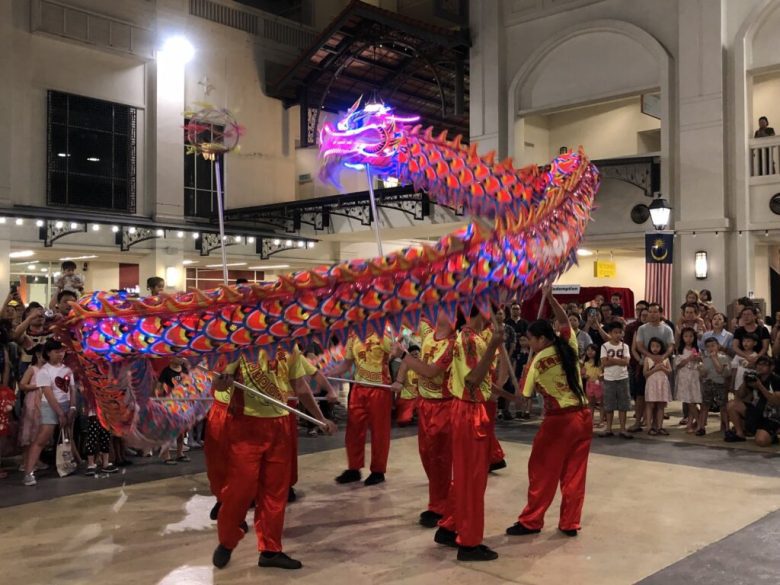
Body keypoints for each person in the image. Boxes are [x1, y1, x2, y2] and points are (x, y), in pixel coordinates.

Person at [212, 347, 336, 571]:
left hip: (280, 427)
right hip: (245, 428)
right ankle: (228, 540)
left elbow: (300, 387)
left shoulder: (291, 348)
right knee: (239, 491)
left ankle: (270, 550)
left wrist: (320, 418)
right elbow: (218, 385)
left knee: (275, 492)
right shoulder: (240, 345)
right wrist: (222, 381)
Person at [506, 284, 592, 538]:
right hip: (583, 418)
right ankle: (570, 522)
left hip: (558, 422)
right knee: (575, 473)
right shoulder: (568, 346)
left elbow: (522, 401)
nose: (528, 343)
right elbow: (564, 321)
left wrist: (497, 392)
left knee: (542, 470)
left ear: (541, 339)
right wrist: (551, 298)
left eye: (530, 339)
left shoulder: (536, 363)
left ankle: (531, 521)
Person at [433, 307, 505, 562]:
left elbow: (485, 380)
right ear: (484, 311)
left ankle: (449, 526)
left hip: (471, 409)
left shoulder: (473, 337)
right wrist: (494, 344)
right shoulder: (469, 339)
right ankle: (469, 543)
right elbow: (473, 379)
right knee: (472, 480)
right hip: (469, 411)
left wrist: (509, 395)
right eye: (496, 310)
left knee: (466, 477)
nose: (499, 315)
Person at [394, 313, 455, 528]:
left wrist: (403, 355)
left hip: (443, 406)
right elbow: (405, 319)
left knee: (439, 458)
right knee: (427, 455)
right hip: (425, 404)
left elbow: (430, 371)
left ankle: (440, 506)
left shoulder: (452, 344)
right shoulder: (429, 333)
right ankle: (441, 498)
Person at [330, 331, 396, 486]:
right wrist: (325, 374)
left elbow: (397, 353)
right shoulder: (352, 336)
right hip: (358, 388)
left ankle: (378, 471)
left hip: (379, 389)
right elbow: (347, 364)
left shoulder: (384, 334)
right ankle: (354, 469)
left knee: (379, 432)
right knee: (353, 430)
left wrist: (398, 378)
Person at [23, 339, 77, 486]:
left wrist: (72, 407)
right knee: (42, 438)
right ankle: (28, 472)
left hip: (66, 405)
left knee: (67, 437)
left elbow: (72, 389)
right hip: (50, 406)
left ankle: (68, 464)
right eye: (56, 351)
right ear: (48, 353)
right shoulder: (44, 371)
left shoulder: (67, 369)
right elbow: (48, 393)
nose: (60, 354)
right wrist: (60, 413)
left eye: (62, 351)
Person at [631, 303, 675, 432]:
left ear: (660, 313)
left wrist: (663, 357)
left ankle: (656, 425)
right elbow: (639, 346)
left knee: (658, 396)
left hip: (661, 364)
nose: (652, 314)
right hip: (647, 363)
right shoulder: (642, 328)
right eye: (650, 312)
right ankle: (638, 422)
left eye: (655, 312)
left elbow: (671, 346)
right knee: (640, 395)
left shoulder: (667, 329)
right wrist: (650, 356)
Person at [725, 356, 780, 445]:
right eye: (759, 364)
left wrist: (760, 386)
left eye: (764, 365)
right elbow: (740, 395)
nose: (760, 367)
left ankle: (772, 434)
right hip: (756, 411)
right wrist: (744, 381)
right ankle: (740, 433)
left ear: (771, 367)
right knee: (732, 404)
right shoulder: (754, 377)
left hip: (771, 415)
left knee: (761, 441)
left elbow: (775, 401)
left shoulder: (776, 380)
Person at [599, 322, 632, 439]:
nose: (618, 335)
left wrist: (612, 359)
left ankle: (623, 429)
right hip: (609, 379)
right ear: (610, 333)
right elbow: (604, 362)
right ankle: (609, 428)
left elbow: (626, 362)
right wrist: (619, 361)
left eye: (620, 332)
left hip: (623, 378)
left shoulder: (625, 346)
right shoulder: (605, 346)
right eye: (615, 332)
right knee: (609, 405)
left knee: (623, 405)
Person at [156, 357, 190, 465]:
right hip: (170, 404)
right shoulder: (166, 371)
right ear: (171, 358)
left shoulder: (184, 369)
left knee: (181, 430)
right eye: (178, 356)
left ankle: (180, 453)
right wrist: (159, 399)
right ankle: (166, 455)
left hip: (183, 403)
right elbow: (159, 387)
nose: (181, 359)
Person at [18, 344, 46, 473]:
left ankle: (36, 459)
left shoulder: (47, 369)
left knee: (39, 431)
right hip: (32, 401)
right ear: (38, 354)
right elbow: (22, 385)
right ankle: (25, 461)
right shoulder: (32, 369)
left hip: (43, 401)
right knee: (29, 431)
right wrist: (36, 386)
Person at [697, 337, 731, 435]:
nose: (710, 348)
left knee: (723, 406)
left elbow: (720, 371)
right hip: (708, 383)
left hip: (720, 384)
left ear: (718, 346)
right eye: (708, 346)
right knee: (705, 405)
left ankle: (727, 428)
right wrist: (701, 370)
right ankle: (701, 427)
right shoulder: (705, 359)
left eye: (713, 345)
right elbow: (703, 375)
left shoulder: (724, 358)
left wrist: (714, 358)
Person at [675, 328, 703, 434]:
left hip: (694, 377)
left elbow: (701, 362)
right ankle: (697, 423)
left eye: (691, 336)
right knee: (689, 401)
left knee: (692, 401)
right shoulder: (680, 350)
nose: (688, 338)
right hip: (684, 378)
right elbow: (678, 365)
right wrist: (689, 359)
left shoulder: (697, 349)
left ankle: (694, 424)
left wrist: (698, 359)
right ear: (682, 337)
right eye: (686, 336)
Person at [643, 338, 672, 436]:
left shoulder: (665, 358)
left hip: (662, 383)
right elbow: (645, 373)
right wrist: (655, 368)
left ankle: (660, 426)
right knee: (650, 405)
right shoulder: (648, 358)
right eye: (653, 346)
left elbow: (669, 371)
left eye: (657, 346)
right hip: (652, 384)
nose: (655, 348)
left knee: (661, 405)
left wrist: (662, 367)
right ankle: (649, 427)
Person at [394, 344, 420, 426]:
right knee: (403, 421)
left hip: (420, 396)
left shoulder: (424, 365)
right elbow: (397, 381)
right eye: (412, 355)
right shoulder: (404, 366)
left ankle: (415, 414)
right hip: (407, 396)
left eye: (416, 354)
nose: (415, 356)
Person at [581, 344, 604, 427]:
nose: (590, 352)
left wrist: (602, 375)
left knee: (602, 404)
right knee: (591, 404)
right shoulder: (585, 363)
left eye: (592, 350)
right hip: (589, 385)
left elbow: (605, 371)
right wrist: (584, 376)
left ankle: (601, 420)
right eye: (588, 350)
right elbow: (582, 374)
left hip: (599, 384)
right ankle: (591, 420)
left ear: (596, 351)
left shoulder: (600, 362)